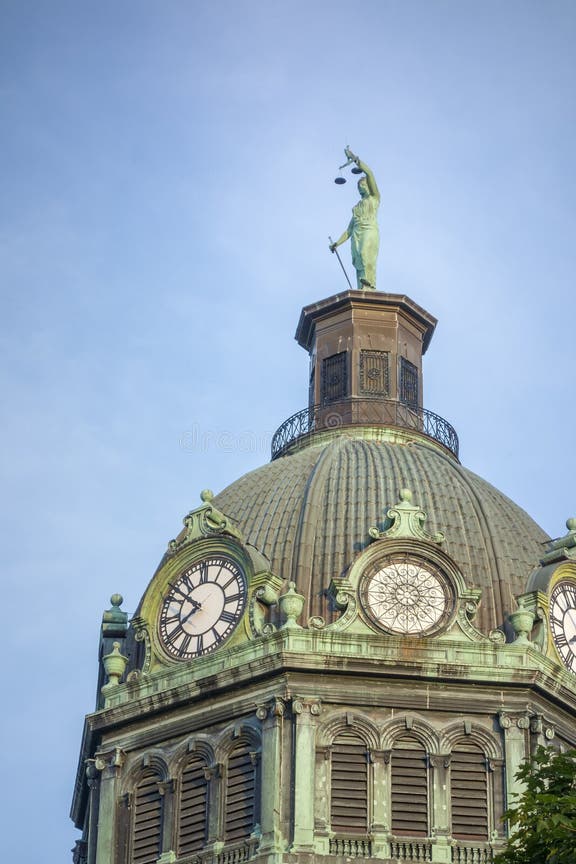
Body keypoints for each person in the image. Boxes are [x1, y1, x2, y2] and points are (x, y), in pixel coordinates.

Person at [330, 147, 380, 290]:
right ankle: (362, 288)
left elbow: (370, 173)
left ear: (369, 187)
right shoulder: (356, 208)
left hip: (369, 229)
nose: (360, 187)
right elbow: (349, 230)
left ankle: (370, 284)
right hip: (356, 233)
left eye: (363, 184)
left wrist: (356, 159)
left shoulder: (374, 199)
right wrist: (337, 243)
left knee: (365, 254)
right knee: (358, 261)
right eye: (358, 186)